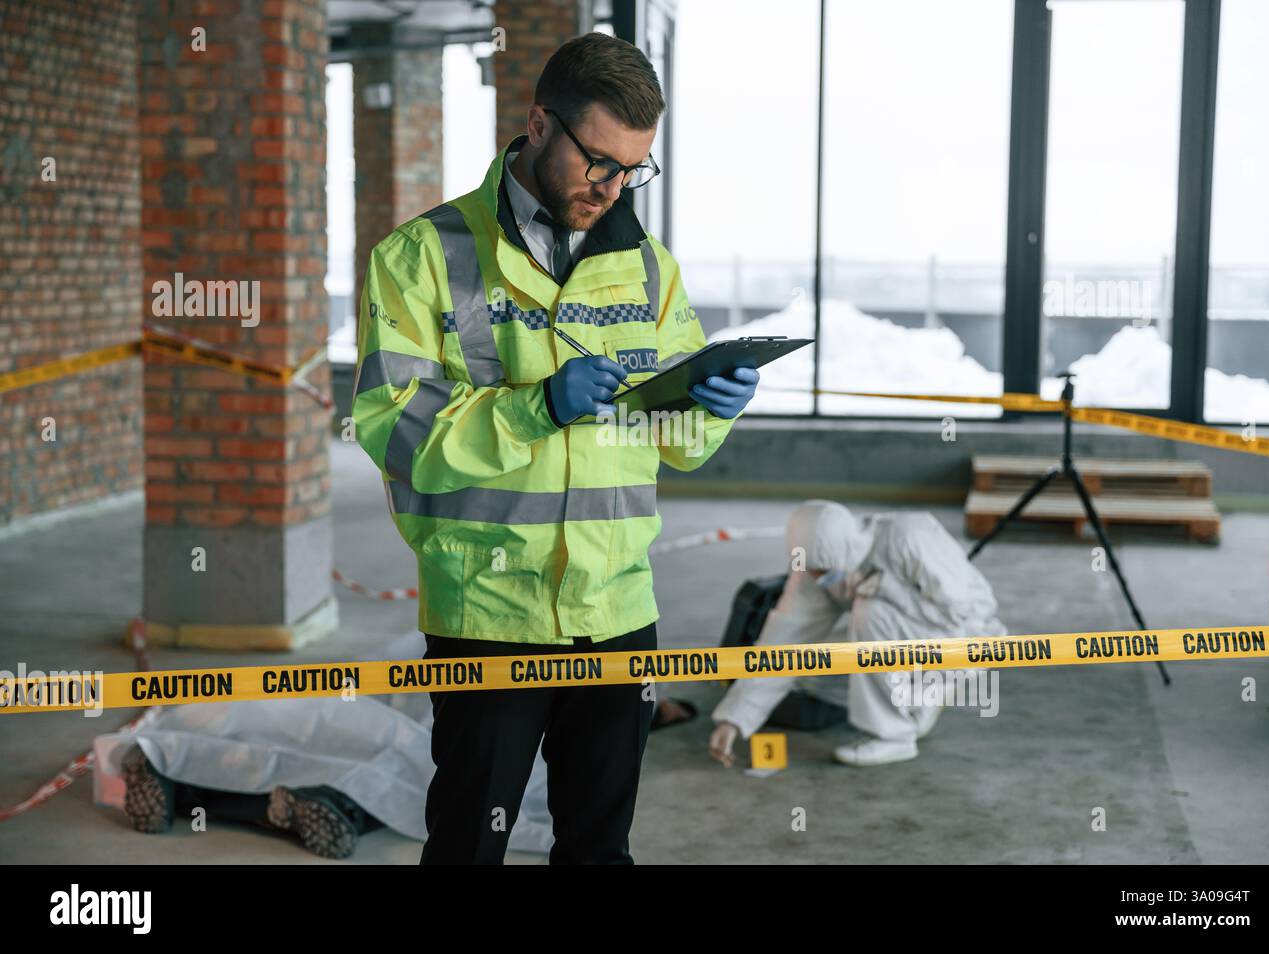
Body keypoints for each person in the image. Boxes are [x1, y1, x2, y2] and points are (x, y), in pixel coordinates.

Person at [352, 33, 757, 865]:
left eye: (633, 170)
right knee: (468, 847)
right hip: (489, 612)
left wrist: (711, 408)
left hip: (616, 608)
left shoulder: (647, 270)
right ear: (539, 125)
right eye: (598, 162)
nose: (612, 189)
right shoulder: (425, 257)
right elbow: (396, 431)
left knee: (600, 851)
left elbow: (674, 444)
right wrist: (537, 407)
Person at [92, 630, 556, 859]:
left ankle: (178, 773)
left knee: (388, 754)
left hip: (469, 678)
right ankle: (179, 765)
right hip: (450, 677)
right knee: (392, 753)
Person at [709, 501, 1006, 768]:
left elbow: (966, 612)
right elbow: (783, 644)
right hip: (901, 635)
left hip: (965, 639)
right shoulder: (816, 567)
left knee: (870, 613)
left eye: (822, 569)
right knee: (811, 669)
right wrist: (734, 720)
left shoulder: (908, 536)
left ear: (844, 552)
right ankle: (915, 701)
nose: (817, 578)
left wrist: (887, 589)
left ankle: (894, 736)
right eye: (811, 570)